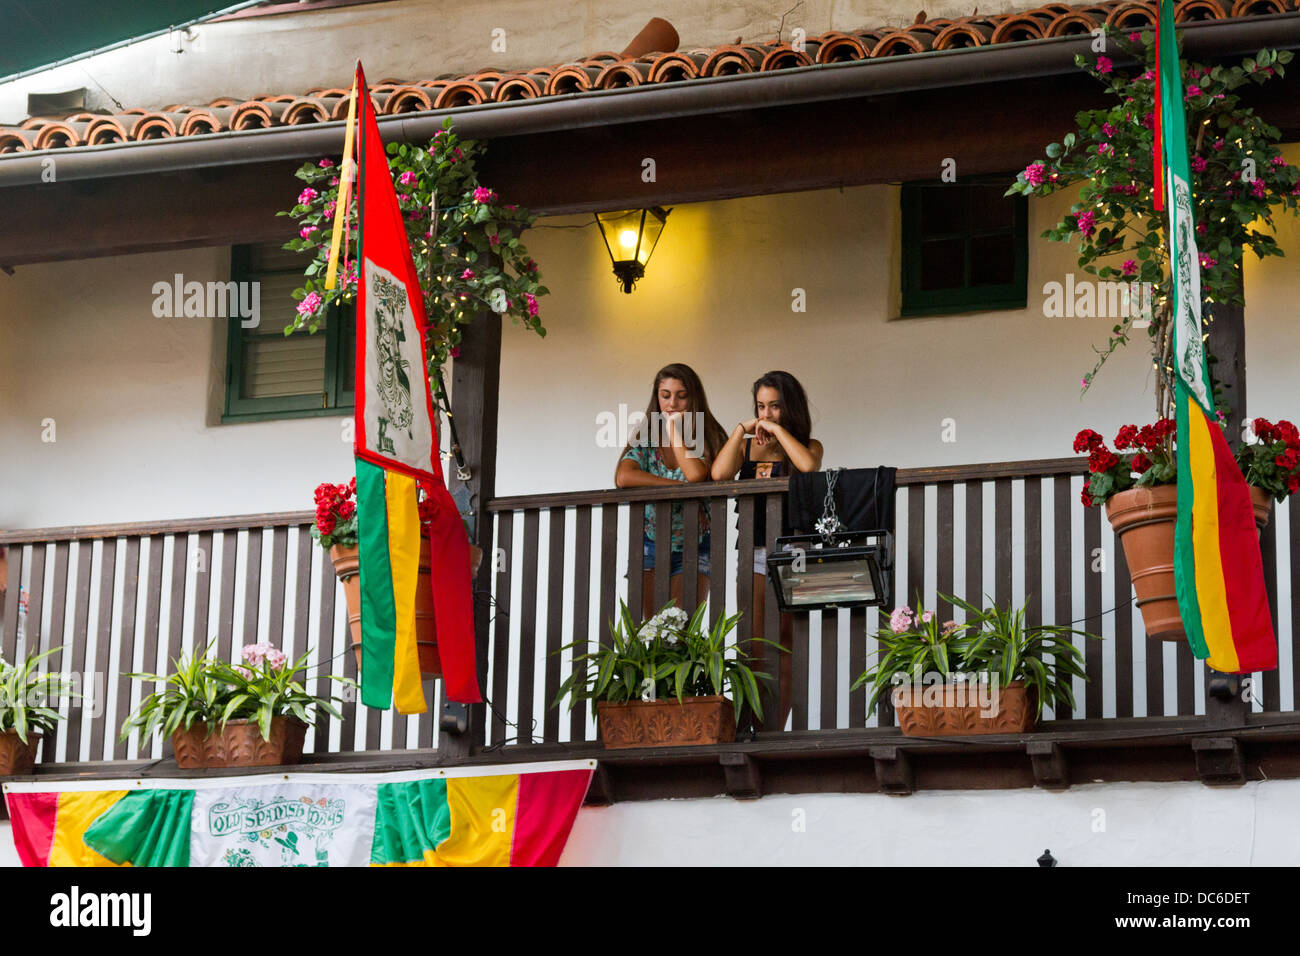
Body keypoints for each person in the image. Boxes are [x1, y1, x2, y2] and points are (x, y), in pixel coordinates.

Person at [712, 370, 824, 730]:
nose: (766, 413)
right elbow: (719, 474)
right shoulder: (747, 447)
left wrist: (777, 430)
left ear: (790, 407)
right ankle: (754, 726)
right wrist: (739, 431)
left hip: (795, 554)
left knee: (786, 642)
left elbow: (807, 466)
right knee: (754, 642)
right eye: (761, 407)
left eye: (775, 406)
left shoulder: (809, 445)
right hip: (754, 551)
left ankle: (776, 726)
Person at [616, 363, 727, 620]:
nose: (672, 403)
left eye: (681, 395)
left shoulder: (709, 435)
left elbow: (695, 475)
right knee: (652, 630)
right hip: (650, 544)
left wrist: (673, 431)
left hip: (695, 544)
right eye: (665, 395)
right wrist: (678, 488)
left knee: (679, 629)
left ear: (694, 398)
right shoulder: (647, 437)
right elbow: (624, 476)